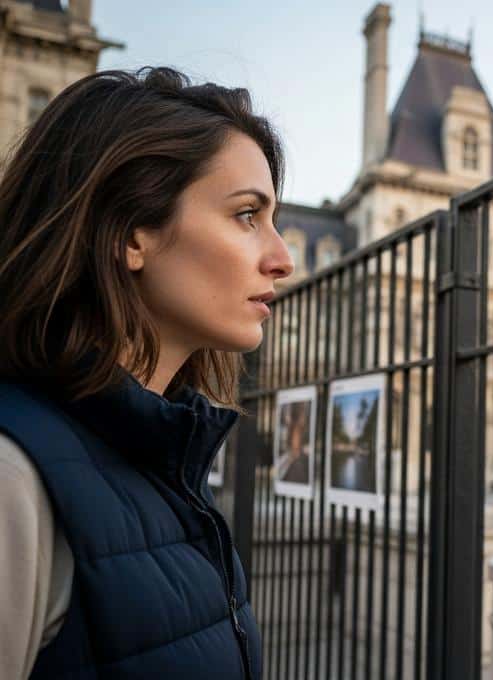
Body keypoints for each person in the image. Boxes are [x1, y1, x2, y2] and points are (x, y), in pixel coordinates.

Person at [0, 68, 288, 678]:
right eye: (246, 215)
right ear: (133, 234)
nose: (281, 258)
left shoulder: (166, 457)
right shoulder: (13, 478)